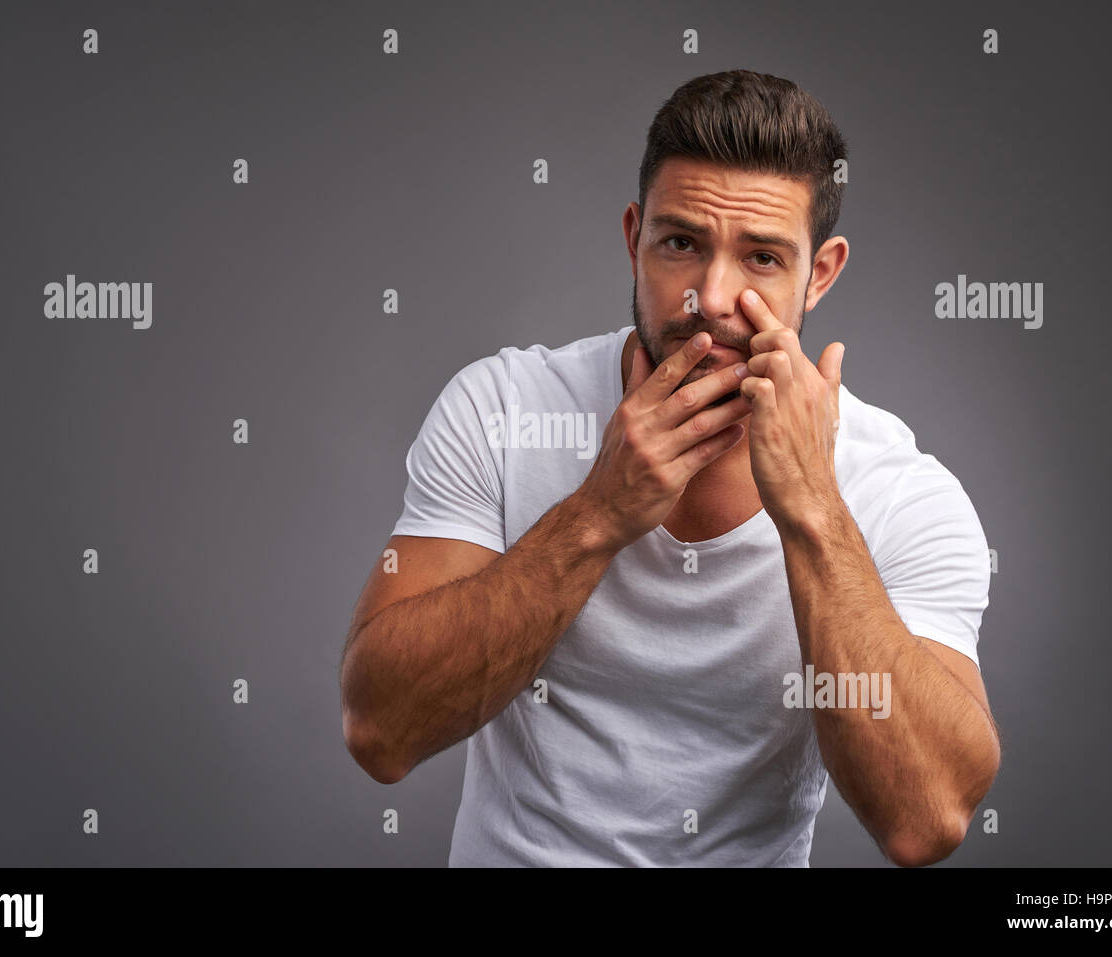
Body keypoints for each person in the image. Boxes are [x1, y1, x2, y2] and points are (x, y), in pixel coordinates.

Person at [340, 70, 1001, 867]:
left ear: (819, 274)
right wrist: (596, 515)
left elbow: (926, 820)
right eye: (681, 243)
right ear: (634, 237)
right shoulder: (503, 407)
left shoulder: (897, 488)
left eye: (761, 257)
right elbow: (380, 730)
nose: (710, 297)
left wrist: (815, 511)